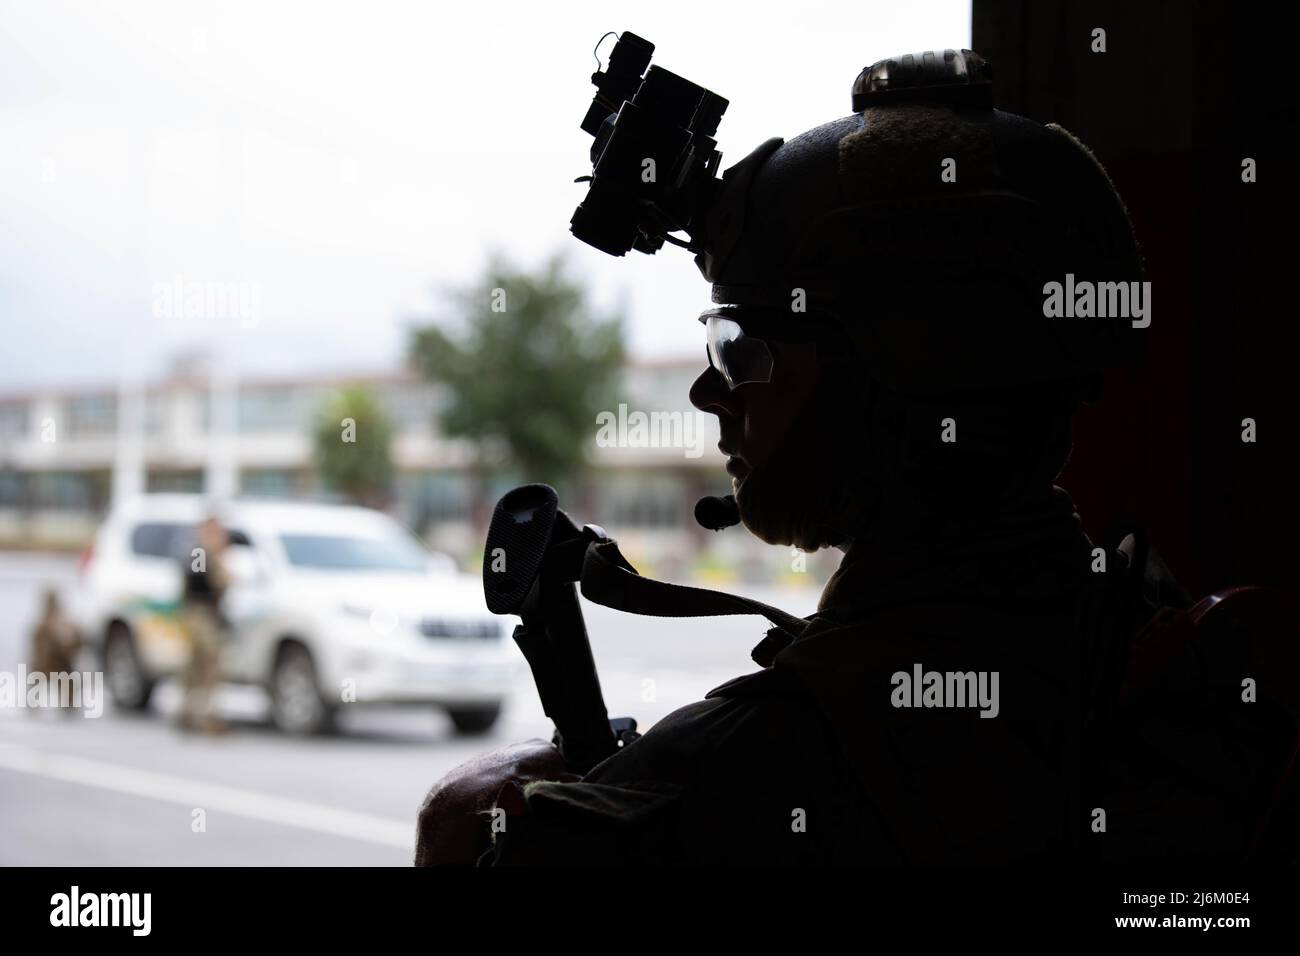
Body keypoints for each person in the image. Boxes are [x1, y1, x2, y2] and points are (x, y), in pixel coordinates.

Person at [415, 49, 1235, 866]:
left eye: (743, 348)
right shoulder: (1134, 624)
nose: (711, 394)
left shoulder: (754, 762)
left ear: (888, 375)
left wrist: (468, 814)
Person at [179, 516, 231, 734]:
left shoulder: (210, 554)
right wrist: (214, 556)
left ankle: (194, 711)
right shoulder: (199, 552)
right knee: (205, 661)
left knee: (203, 663)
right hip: (198, 613)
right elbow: (202, 579)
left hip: (209, 614)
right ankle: (198, 712)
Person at [28, 587, 82, 715]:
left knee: (66, 678)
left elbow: (77, 642)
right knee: (37, 679)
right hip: (46, 664)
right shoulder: (44, 625)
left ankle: (69, 703)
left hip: (59, 664)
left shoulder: (63, 623)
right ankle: (33, 701)